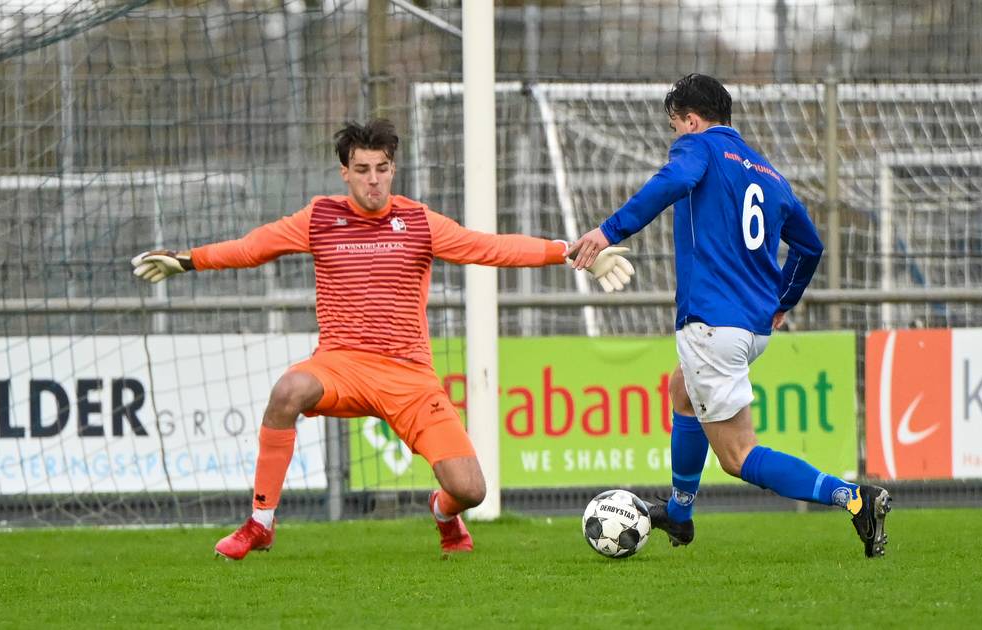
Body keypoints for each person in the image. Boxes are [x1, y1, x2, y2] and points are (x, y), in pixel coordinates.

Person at [131, 119, 635, 559]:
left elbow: (489, 247)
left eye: (383, 168)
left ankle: (442, 512)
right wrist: (188, 258)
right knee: (287, 392)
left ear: (393, 169)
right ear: (345, 173)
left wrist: (573, 251)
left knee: (471, 490)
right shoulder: (320, 218)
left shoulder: (418, 221)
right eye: (363, 169)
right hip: (340, 365)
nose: (374, 179)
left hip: (409, 376)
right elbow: (253, 247)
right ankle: (260, 524)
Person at [568, 73, 891, 558]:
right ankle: (679, 515)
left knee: (738, 456)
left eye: (676, 125)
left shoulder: (698, 148)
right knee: (682, 390)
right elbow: (810, 246)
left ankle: (853, 498)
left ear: (692, 120)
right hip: (753, 327)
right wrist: (784, 299)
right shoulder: (767, 172)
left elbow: (673, 180)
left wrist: (608, 231)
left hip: (712, 325)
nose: (677, 136)